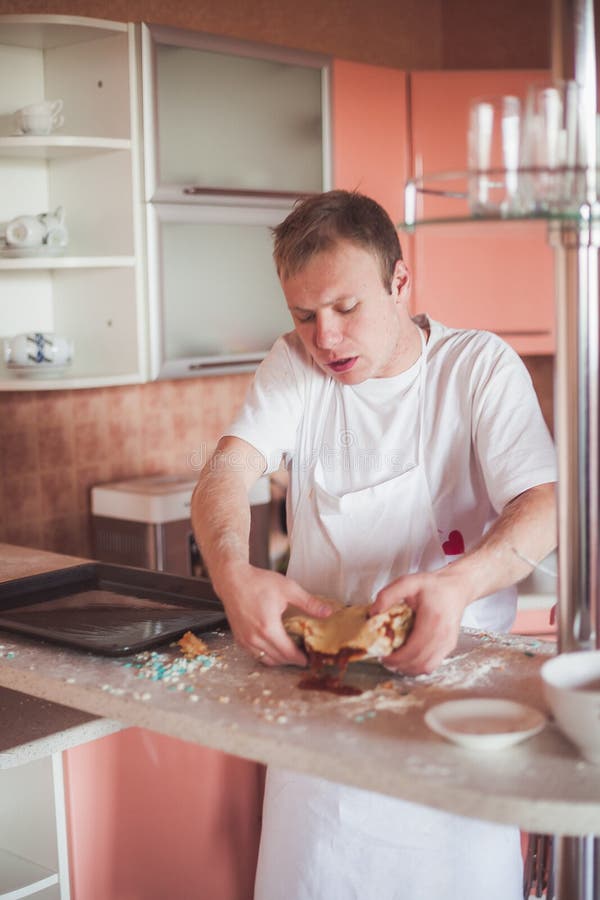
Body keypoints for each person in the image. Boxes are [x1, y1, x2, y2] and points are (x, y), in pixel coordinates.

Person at [191, 190, 557, 900]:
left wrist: (457, 586)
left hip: (455, 718)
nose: (325, 338)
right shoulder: (296, 365)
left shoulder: (476, 366)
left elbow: (544, 505)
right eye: (303, 314)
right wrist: (233, 573)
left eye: (346, 307)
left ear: (399, 283)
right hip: (320, 729)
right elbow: (225, 471)